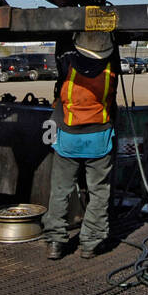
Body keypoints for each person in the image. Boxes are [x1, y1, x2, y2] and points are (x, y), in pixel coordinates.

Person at [42, 31, 120, 260]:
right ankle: (90, 243)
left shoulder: (68, 65)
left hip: (69, 139)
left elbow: (62, 51)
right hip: (99, 140)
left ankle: (55, 242)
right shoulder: (110, 70)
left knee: (60, 191)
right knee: (98, 193)